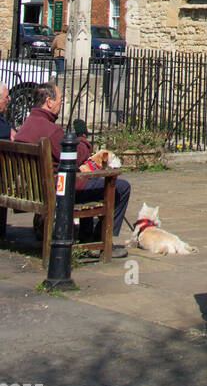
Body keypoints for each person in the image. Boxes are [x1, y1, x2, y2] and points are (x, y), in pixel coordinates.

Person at [15, 81, 130, 258]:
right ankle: (101, 241)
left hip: (34, 190)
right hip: (58, 190)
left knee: (87, 181)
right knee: (121, 187)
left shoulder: (26, 126)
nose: (61, 103)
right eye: (60, 99)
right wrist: (83, 139)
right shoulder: (51, 130)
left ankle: (86, 235)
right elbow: (76, 157)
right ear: (49, 101)